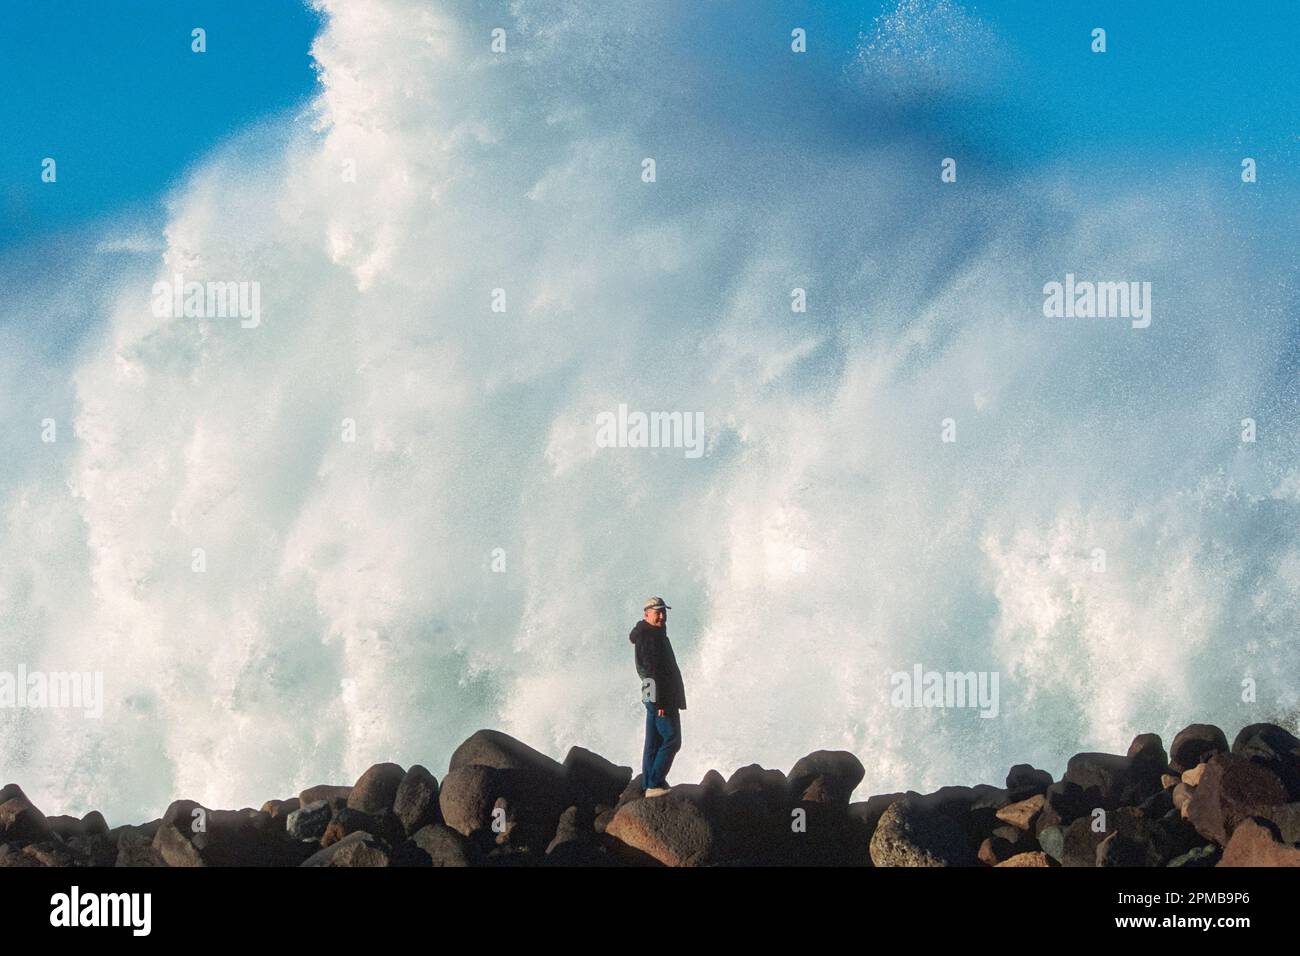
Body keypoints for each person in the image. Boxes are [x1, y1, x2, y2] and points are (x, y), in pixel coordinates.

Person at [629, 596, 687, 797]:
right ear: (647, 614)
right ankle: (654, 782)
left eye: (664, 612)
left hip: (651, 692)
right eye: (657, 612)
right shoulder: (650, 636)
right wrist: (659, 700)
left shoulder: (652, 633)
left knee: (653, 740)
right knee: (672, 739)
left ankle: (649, 783)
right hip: (658, 694)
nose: (662, 616)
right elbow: (651, 671)